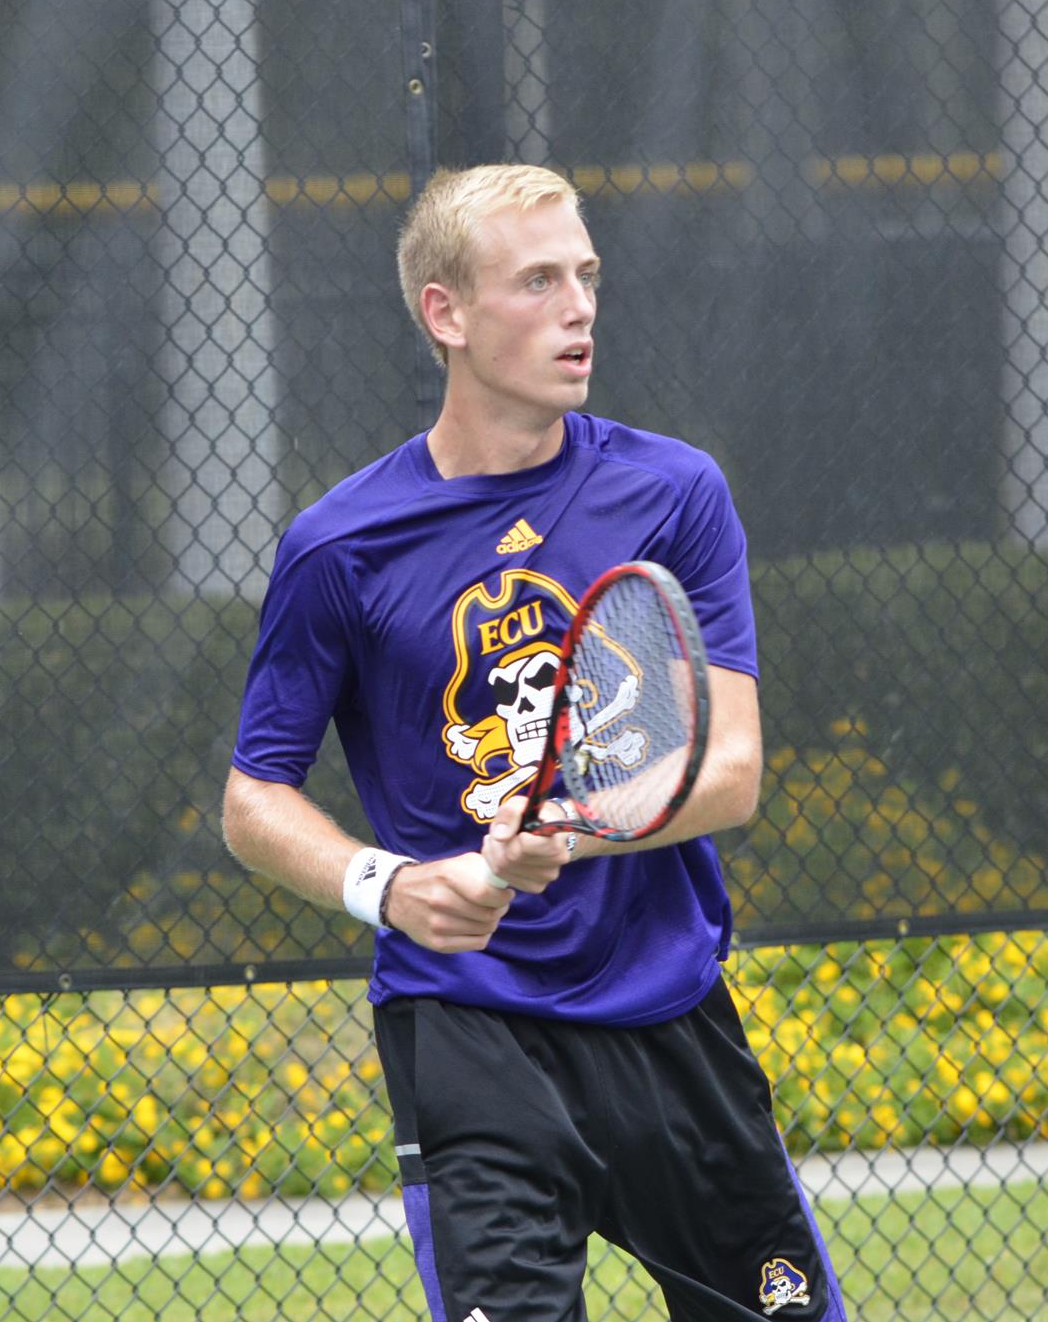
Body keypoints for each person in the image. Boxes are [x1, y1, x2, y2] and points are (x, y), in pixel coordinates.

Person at [223, 163, 848, 1321]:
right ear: (445, 315)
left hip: (669, 1016)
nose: (580, 307)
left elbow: (730, 769)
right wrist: (391, 884)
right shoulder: (339, 545)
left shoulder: (673, 491)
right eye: (538, 280)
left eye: (587, 275)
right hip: (466, 1027)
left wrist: (562, 827)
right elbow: (253, 796)